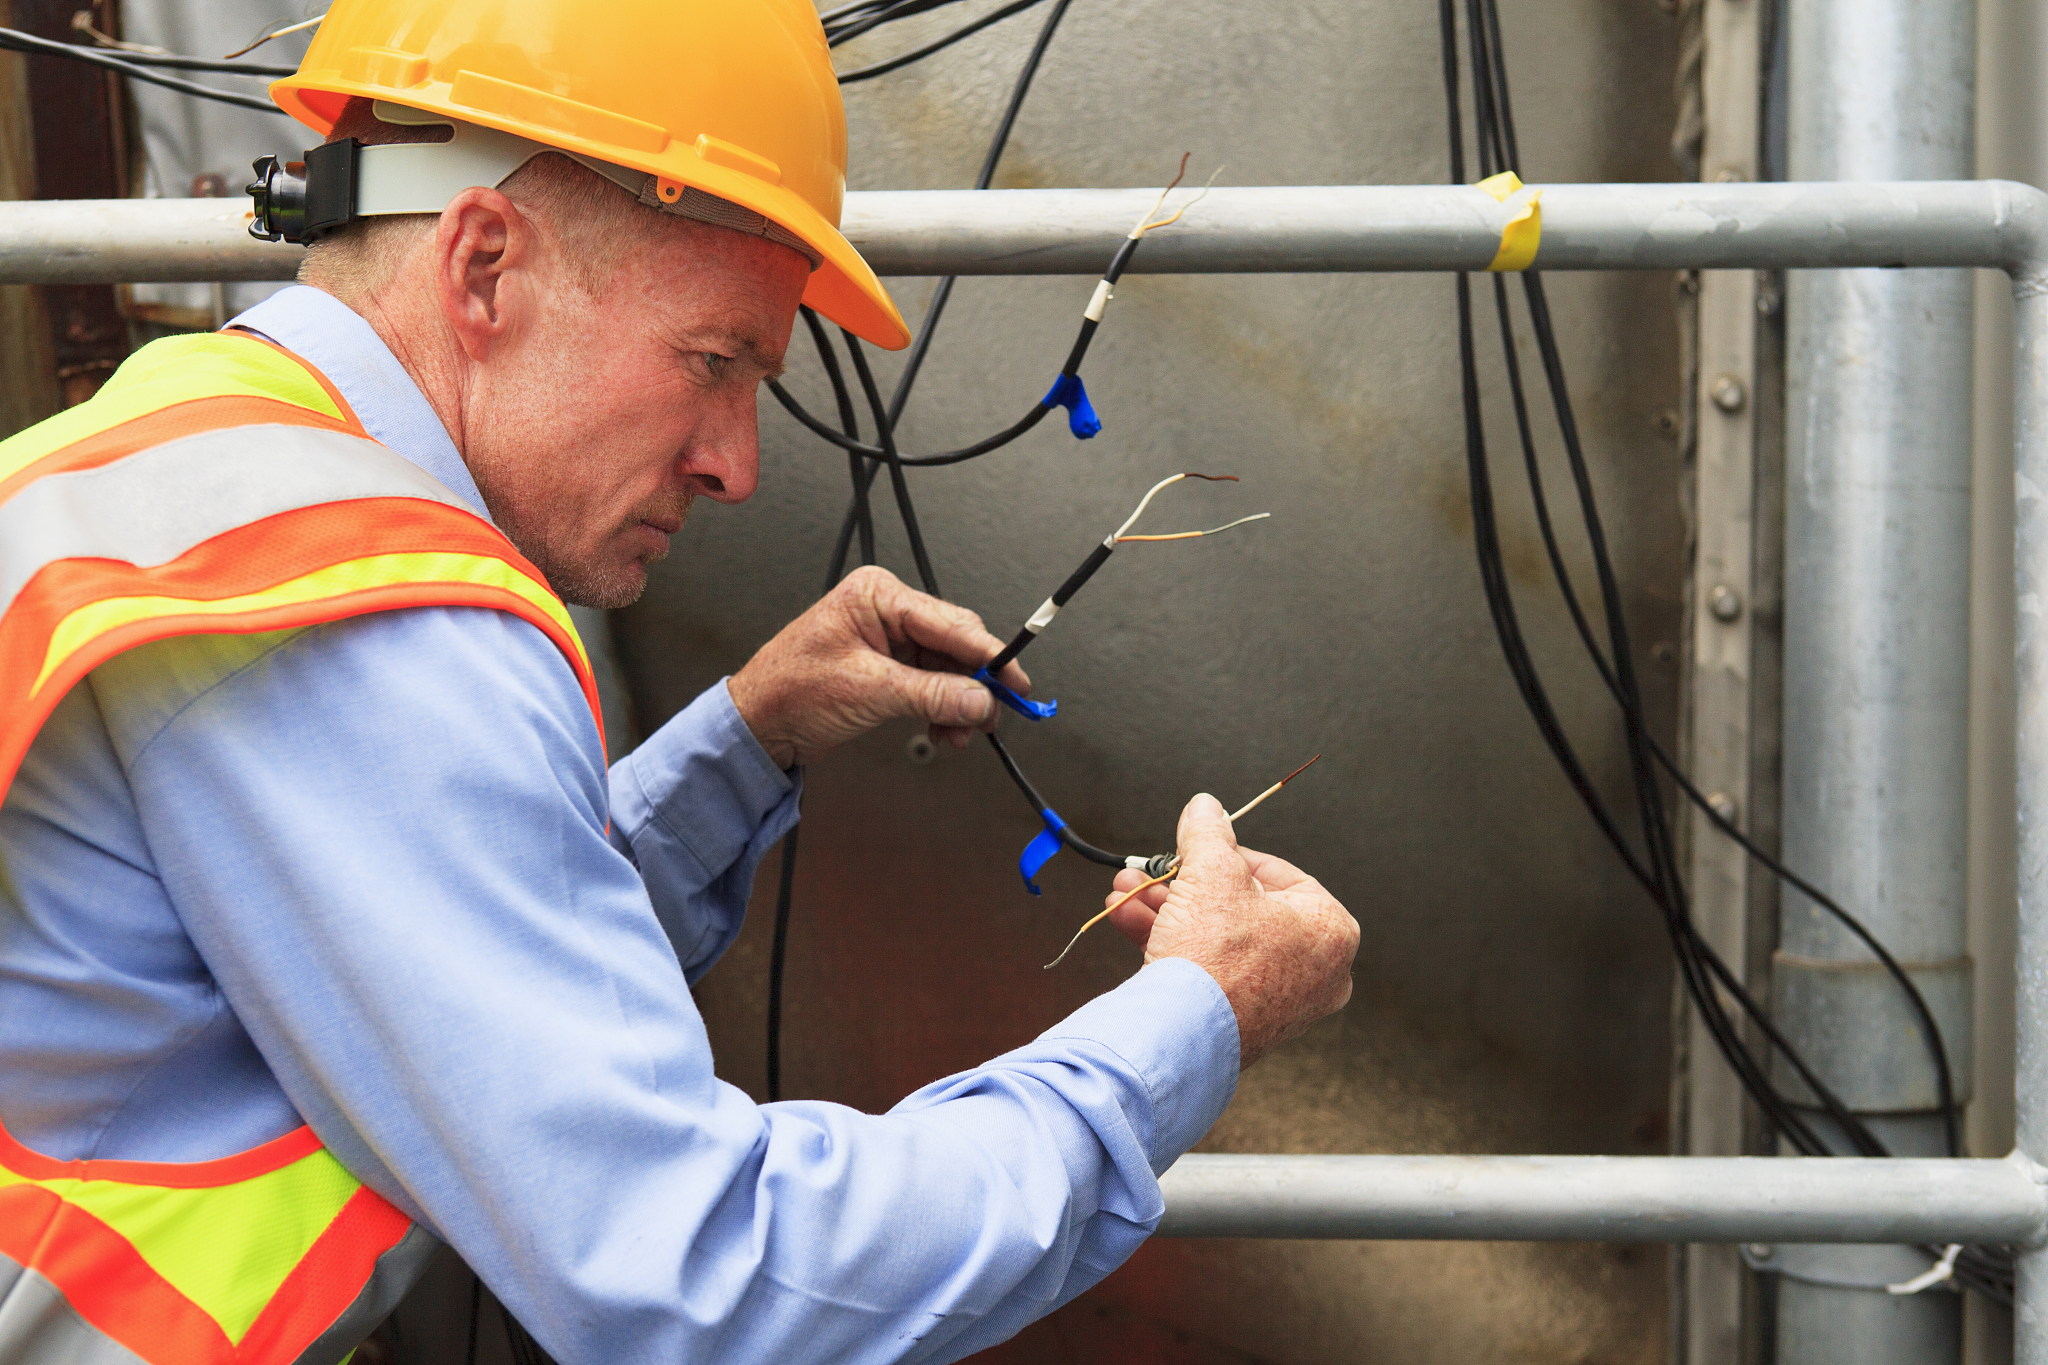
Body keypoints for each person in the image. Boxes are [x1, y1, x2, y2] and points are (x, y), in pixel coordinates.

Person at [0, 2, 1359, 1362]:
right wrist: (1199, 1016)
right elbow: (705, 1279)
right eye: (713, 362)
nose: (737, 463)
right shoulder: (354, 602)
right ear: (480, 264)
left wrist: (746, 741)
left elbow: (443, 964)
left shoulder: (160, 457)